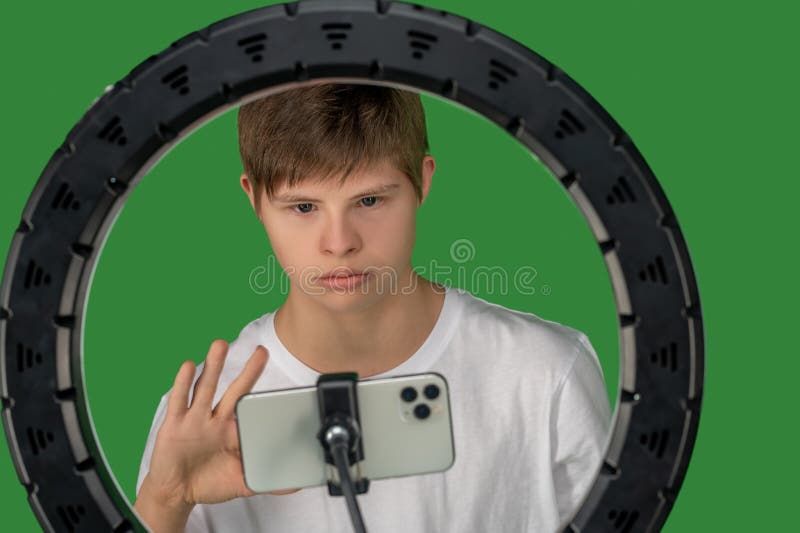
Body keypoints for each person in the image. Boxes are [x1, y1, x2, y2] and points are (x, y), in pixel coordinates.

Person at [133, 82, 611, 533]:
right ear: (254, 199)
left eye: (369, 200)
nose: (339, 243)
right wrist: (165, 501)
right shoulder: (202, 418)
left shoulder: (546, 374)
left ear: (422, 182)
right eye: (303, 207)